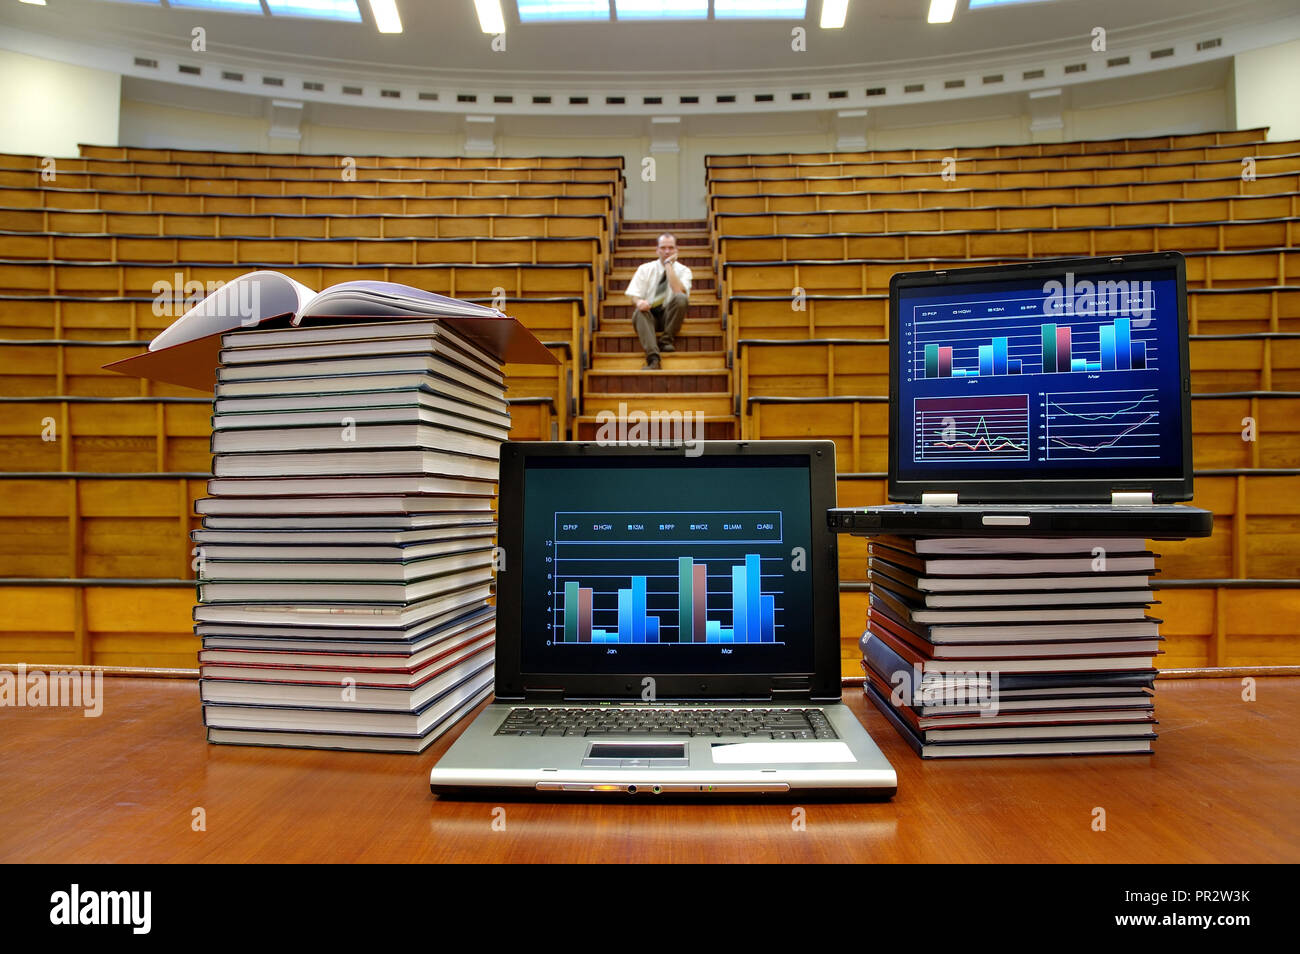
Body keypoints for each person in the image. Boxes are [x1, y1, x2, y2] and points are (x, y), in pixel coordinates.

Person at [623, 232, 692, 369]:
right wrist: (639, 302)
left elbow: (679, 291)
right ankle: (653, 359)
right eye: (663, 247)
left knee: (681, 298)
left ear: (676, 250)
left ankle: (666, 341)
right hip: (650, 314)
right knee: (638, 312)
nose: (667, 251)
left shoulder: (684, 270)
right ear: (657, 250)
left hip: (669, 315)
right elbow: (634, 295)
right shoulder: (644, 269)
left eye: (671, 248)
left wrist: (668, 266)